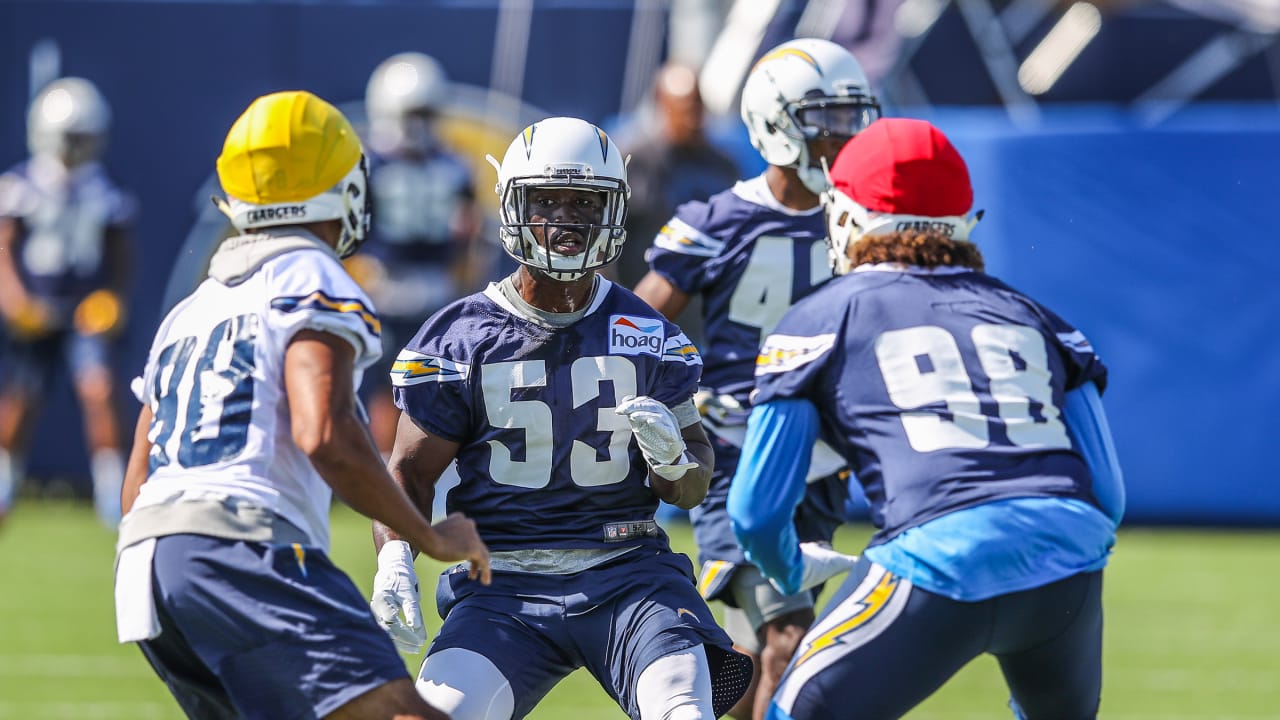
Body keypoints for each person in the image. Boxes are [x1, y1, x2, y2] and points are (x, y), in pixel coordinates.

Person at [112, 90, 490, 720]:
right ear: (341, 188)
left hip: (148, 569)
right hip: (242, 549)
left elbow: (136, 485)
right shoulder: (309, 276)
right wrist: (427, 535)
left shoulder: (192, 308)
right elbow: (326, 433)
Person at [729, 118, 1125, 720]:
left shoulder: (819, 318)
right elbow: (1108, 495)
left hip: (938, 555)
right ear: (966, 221)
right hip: (1067, 553)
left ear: (846, 216)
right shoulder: (1042, 318)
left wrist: (789, 567)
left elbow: (755, 513)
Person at [368, 116, 753, 720]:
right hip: (504, 586)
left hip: (630, 575)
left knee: (683, 712)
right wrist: (395, 555)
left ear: (614, 211)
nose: (567, 219)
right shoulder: (461, 338)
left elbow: (693, 482)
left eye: (585, 202)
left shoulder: (646, 333)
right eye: (547, 201)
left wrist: (674, 460)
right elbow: (410, 474)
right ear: (513, 205)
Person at [631, 37, 881, 720]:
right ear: (777, 122)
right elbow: (634, 326)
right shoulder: (720, 221)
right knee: (786, 636)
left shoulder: (864, 223)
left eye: (853, 115)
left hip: (824, 459)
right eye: (827, 117)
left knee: (746, 664)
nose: (845, 134)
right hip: (738, 451)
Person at [0, 76, 134, 527]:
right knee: (21, 399)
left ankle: (112, 495)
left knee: (98, 389)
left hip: (81, 312)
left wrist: (112, 298)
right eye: (70, 138)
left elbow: (119, 259)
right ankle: (4, 484)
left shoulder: (104, 191)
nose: (76, 149)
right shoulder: (20, 187)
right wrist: (16, 302)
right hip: (35, 313)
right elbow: (3, 252)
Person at [354, 51, 488, 457]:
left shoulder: (371, 163)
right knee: (393, 390)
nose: (419, 127)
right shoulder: (453, 165)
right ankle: (388, 473)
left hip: (404, 286)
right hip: (402, 286)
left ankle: (404, 472)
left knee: (422, 389)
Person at [611, 62, 740, 295]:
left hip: (703, 303)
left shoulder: (721, 166)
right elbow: (606, 239)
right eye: (685, 109)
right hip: (641, 301)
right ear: (662, 106)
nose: (693, 120)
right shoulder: (632, 161)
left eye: (698, 108)